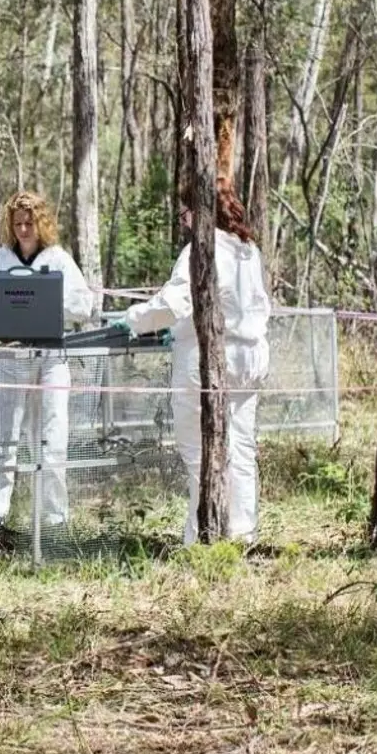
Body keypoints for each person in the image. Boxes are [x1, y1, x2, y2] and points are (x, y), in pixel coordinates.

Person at [114, 182, 272, 546]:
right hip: (248, 357)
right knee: (241, 449)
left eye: (186, 214)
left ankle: (201, 539)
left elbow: (174, 302)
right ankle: (241, 535)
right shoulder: (248, 249)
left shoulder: (202, 247)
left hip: (206, 359)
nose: (184, 223)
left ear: (201, 212)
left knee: (197, 451)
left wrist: (135, 319)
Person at [0, 191, 94, 552]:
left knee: (52, 442)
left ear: (42, 223)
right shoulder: (0, 258)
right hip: (7, 361)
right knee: (1, 443)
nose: (23, 230)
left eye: (29, 223)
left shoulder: (58, 259)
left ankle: (54, 525)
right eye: (17, 224)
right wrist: (3, 300)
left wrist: (45, 298)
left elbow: (85, 304)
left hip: (51, 360)